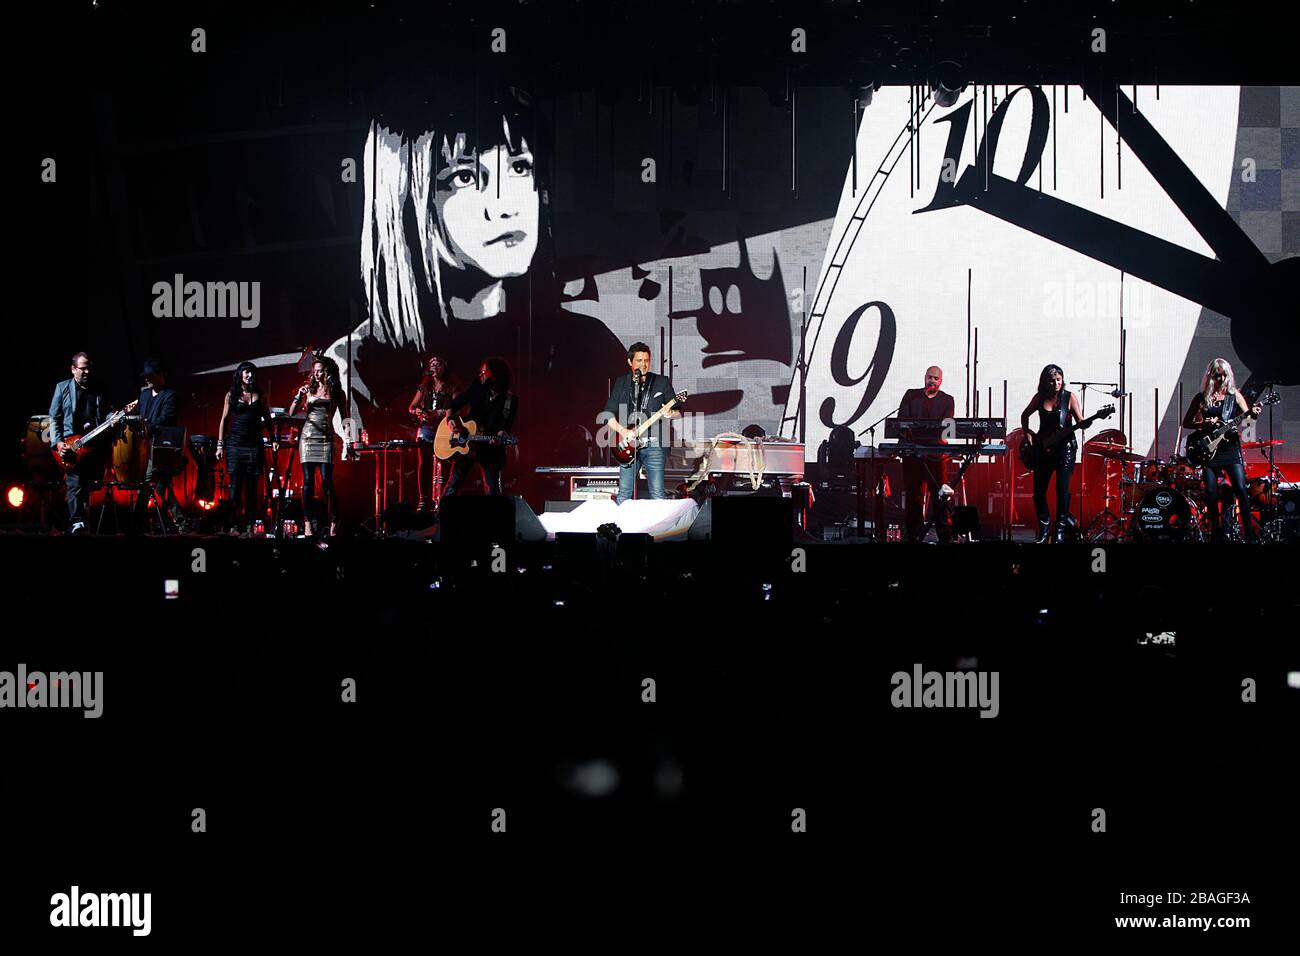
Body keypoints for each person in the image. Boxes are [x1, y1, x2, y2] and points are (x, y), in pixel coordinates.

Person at [1182, 357, 1261, 542]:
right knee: (1211, 491)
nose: (1221, 379)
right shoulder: (1202, 398)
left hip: (1230, 448)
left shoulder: (1235, 396)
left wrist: (1254, 415)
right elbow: (1186, 422)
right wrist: (1203, 423)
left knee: (1241, 489)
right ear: (1210, 376)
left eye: (1224, 375)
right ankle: (1215, 533)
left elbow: (1248, 422)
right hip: (1209, 451)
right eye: (1217, 376)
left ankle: (1249, 533)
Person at [603, 342, 681, 503]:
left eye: (646, 360)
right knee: (624, 493)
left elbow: (679, 412)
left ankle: (658, 528)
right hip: (627, 444)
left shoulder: (661, 382)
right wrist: (623, 432)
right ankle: (620, 527)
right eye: (639, 360)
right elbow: (607, 414)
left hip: (654, 445)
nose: (643, 364)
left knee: (657, 494)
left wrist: (670, 413)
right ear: (630, 362)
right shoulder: (622, 383)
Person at [49, 352, 116, 535]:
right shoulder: (62, 388)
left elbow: (106, 413)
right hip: (71, 445)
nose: (87, 371)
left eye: (89, 368)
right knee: (75, 482)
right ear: (73, 369)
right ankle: (77, 523)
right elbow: (54, 418)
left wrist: (113, 418)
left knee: (89, 485)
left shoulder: (98, 389)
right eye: (83, 368)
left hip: (93, 444)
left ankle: (85, 523)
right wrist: (58, 443)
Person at [1020, 364, 1083, 543]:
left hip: (1066, 449)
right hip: (1043, 448)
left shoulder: (1069, 397)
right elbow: (1025, 415)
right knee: (1039, 491)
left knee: (1062, 489)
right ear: (1045, 381)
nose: (1056, 383)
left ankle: (1060, 530)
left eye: (1058, 379)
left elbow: (1080, 420)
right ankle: (1044, 528)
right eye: (1052, 380)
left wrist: (1086, 422)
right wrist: (1027, 432)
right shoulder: (1040, 398)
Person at [216, 362, 278, 535]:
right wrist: (220, 444)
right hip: (235, 445)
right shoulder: (231, 395)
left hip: (254, 446)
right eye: (246, 372)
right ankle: (235, 525)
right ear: (240, 374)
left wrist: (273, 439)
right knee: (235, 488)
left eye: (252, 372)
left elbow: (267, 418)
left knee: (252, 490)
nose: (250, 375)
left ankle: (251, 526)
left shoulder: (261, 395)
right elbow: (224, 419)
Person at [441, 357, 518, 498]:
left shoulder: (510, 400)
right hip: (466, 443)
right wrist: (451, 420)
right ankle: (441, 517)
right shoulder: (477, 387)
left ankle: (493, 520)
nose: (481, 374)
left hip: (489, 450)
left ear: (495, 374)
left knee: (493, 491)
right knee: (453, 485)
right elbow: (452, 405)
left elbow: (505, 426)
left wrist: (500, 436)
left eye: (484, 371)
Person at [898, 366, 956, 543]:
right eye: (930, 377)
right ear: (924, 378)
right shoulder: (911, 395)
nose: (932, 381)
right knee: (913, 496)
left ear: (940, 381)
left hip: (936, 457)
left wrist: (922, 431)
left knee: (939, 496)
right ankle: (913, 535)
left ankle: (944, 536)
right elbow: (902, 422)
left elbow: (948, 431)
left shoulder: (947, 400)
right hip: (913, 456)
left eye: (936, 378)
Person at [288, 356, 341, 538]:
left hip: (326, 437)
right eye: (315, 370)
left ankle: (334, 520)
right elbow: (291, 412)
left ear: (327, 371)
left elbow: (347, 417)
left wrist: (349, 441)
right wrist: (299, 395)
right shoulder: (308, 390)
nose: (317, 374)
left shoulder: (335, 391)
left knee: (327, 481)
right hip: (308, 437)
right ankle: (308, 523)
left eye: (320, 370)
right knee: (308, 481)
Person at [130, 358, 184, 533]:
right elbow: (140, 415)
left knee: (146, 483)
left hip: (161, 448)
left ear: (161, 375)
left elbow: (166, 419)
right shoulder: (144, 394)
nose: (147, 379)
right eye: (146, 376)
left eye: (150, 376)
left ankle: (136, 524)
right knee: (161, 488)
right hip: (144, 447)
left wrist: (145, 426)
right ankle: (181, 523)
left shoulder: (170, 395)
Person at [409, 355, 456, 511]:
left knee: (445, 463)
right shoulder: (424, 386)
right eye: (432, 364)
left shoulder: (452, 386)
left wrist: (438, 413)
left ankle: (444, 499)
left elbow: (457, 407)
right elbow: (412, 406)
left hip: (444, 428)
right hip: (427, 429)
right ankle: (424, 498)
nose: (434, 366)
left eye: (438, 364)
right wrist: (419, 412)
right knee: (424, 464)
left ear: (444, 367)